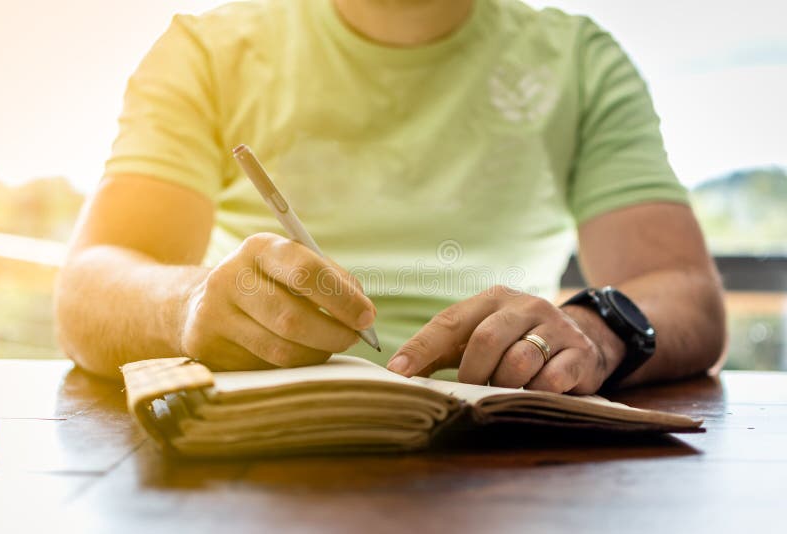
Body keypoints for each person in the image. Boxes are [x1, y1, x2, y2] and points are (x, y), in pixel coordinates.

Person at [55, 0, 726, 393]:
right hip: (263, 431)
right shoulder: (206, 51)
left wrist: (592, 331)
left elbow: (687, 291)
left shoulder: (580, 60)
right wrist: (190, 306)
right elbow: (91, 284)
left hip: (512, 438)